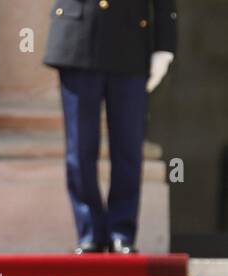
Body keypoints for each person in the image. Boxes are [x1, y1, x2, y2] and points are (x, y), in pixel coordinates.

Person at [44, 0, 177, 254]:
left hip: (131, 41)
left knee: (128, 146)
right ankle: (89, 231)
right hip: (78, 36)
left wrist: (164, 46)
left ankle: (121, 231)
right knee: (80, 147)